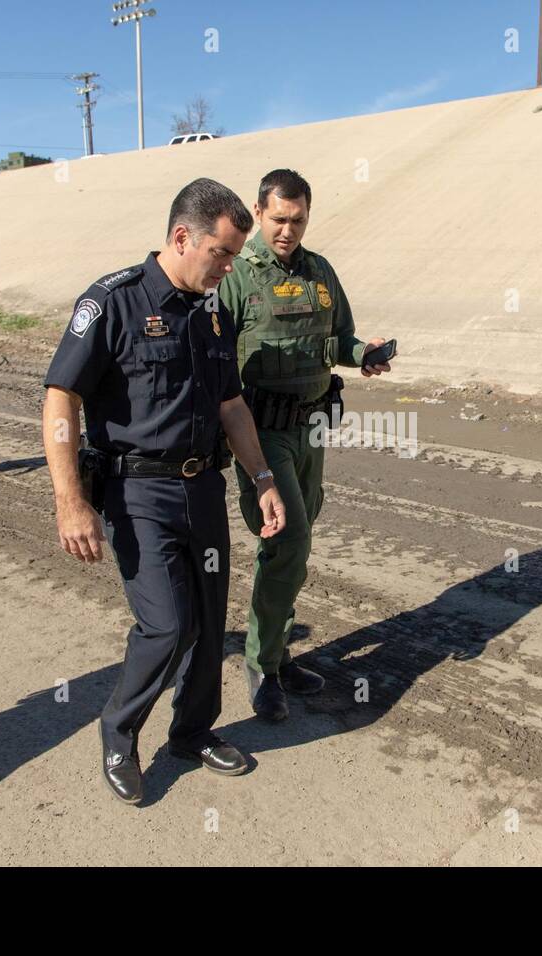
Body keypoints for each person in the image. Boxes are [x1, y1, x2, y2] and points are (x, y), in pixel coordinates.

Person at [42, 178, 287, 805]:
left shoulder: (212, 311)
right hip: (136, 493)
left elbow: (231, 404)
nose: (231, 267)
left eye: (235, 256)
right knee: (167, 625)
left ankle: (192, 733)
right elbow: (61, 397)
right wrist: (70, 500)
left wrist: (261, 478)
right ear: (183, 237)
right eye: (223, 254)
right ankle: (119, 733)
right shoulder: (112, 302)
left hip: (201, 486)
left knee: (207, 622)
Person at [218, 169, 394, 722]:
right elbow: (212, 357)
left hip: (313, 428)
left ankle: (277, 649)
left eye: (297, 220)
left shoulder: (321, 273)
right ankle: (262, 665)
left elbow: (337, 337)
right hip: (261, 431)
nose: (287, 231)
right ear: (258, 212)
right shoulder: (237, 276)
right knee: (288, 540)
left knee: (299, 538)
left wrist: (362, 352)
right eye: (277, 220)